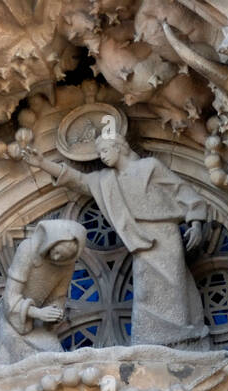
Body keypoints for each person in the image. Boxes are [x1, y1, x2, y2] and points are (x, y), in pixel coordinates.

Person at [24, 131, 208, 348]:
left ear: (119, 147)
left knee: (173, 283)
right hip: (140, 241)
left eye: (104, 150)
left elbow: (180, 189)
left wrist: (195, 220)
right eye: (99, 152)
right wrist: (43, 163)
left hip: (164, 233)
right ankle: (151, 340)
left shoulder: (149, 166)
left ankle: (179, 336)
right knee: (146, 291)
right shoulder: (107, 181)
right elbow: (78, 180)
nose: (102, 156)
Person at [0, 219, 86, 363]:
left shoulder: (66, 266)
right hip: (12, 321)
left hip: (38, 325)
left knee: (56, 359)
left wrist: (55, 312)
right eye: (56, 252)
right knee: (22, 361)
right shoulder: (27, 250)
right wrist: (38, 313)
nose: (57, 259)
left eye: (63, 257)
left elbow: (59, 297)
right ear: (49, 243)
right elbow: (10, 299)